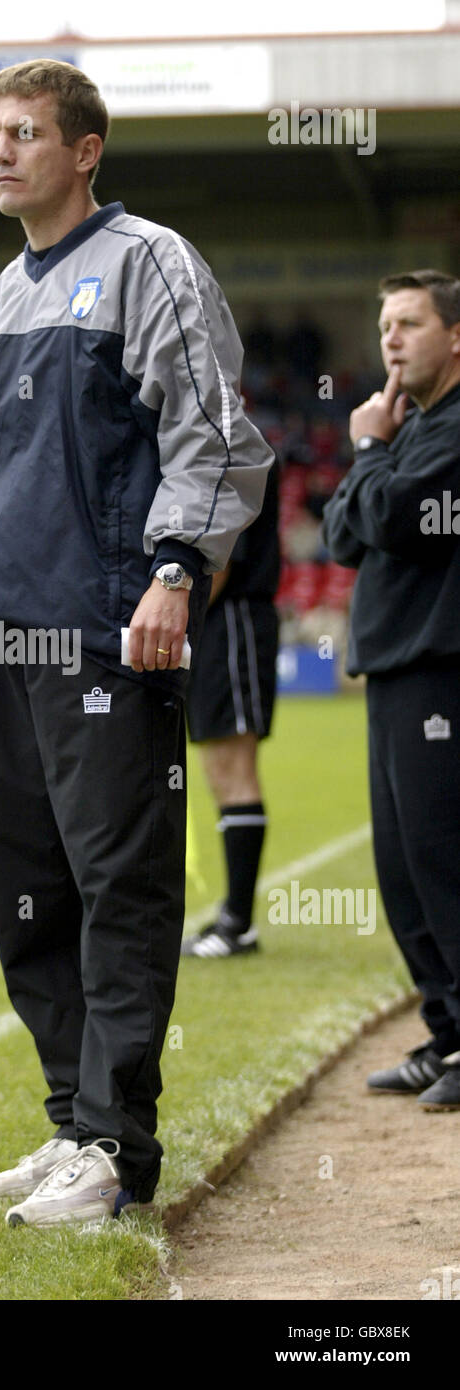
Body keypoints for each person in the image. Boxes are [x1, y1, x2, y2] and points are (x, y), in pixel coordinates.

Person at [0, 58, 273, 1225]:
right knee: (28, 895)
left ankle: (117, 1151)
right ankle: (70, 1121)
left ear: (84, 149)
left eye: (23, 132)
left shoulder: (147, 263)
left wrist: (175, 572)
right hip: (6, 645)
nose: (0, 151)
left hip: (107, 632)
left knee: (115, 886)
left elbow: (216, 435)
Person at [322, 269, 460, 1110]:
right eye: (385, 326)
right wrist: (376, 456)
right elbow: (345, 530)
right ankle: (447, 1034)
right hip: (393, 667)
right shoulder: (408, 426)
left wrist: (370, 452)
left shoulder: (450, 429)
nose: (392, 340)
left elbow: (397, 517)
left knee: (444, 859)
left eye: (411, 323)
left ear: (456, 337)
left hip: (440, 667)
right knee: (404, 867)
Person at [180, 459, 280, 957]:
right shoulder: (223, 445)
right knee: (222, 771)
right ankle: (234, 919)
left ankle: (238, 923)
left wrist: (180, 617)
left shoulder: (236, 450)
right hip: (220, 625)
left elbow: (220, 561)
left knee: (233, 769)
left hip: (233, 622)